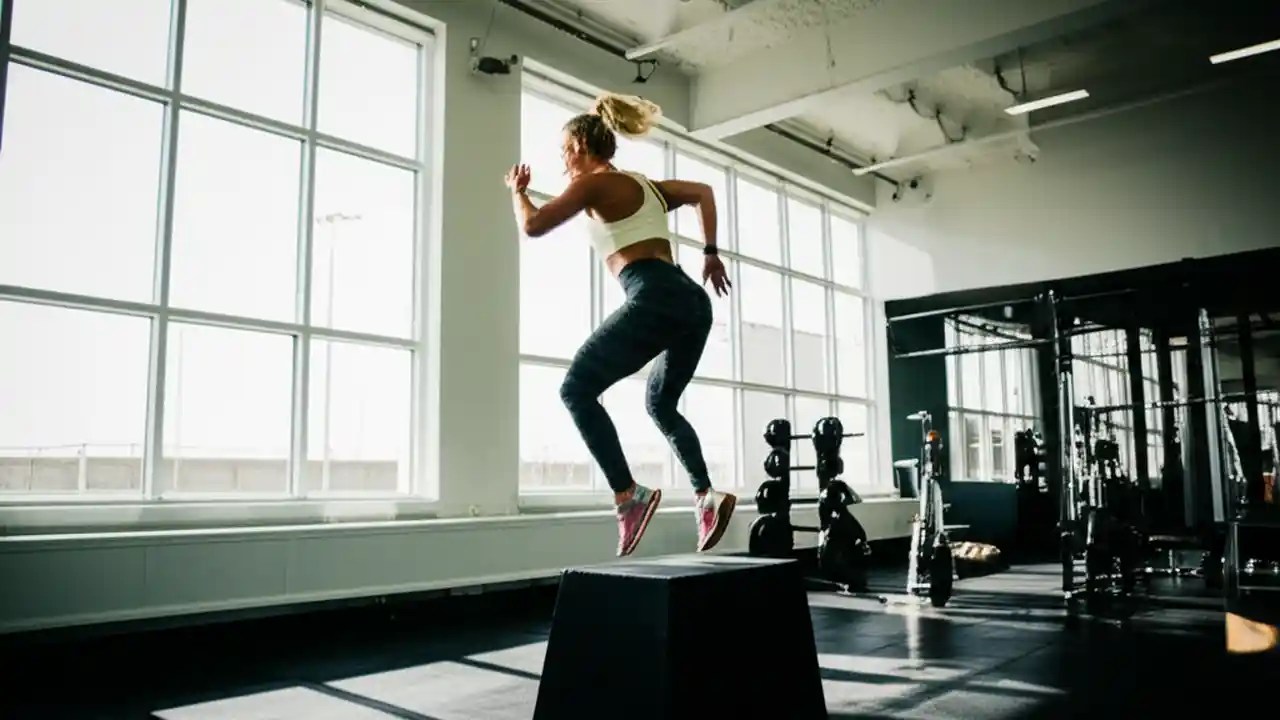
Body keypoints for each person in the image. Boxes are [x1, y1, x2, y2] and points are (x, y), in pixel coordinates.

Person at [504, 92, 736, 557]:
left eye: (563, 151)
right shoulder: (646, 186)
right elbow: (704, 193)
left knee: (576, 389)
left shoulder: (593, 185)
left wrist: (518, 192)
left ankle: (629, 496)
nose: (562, 161)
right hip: (690, 300)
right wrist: (710, 253)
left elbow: (533, 226)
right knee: (661, 403)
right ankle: (706, 495)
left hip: (654, 294)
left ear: (580, 149)